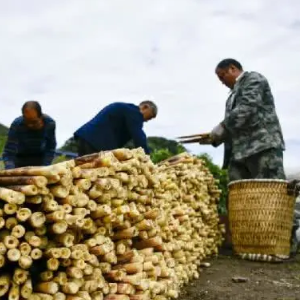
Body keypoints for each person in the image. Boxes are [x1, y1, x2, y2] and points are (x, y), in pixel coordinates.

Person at [201, 58, 285, 181]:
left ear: (232, 69)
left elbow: (247, 108)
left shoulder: (253, 79)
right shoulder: (231, 96)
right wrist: (215, 138)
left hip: (261, 147)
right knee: (240, 194)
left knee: (269, 191)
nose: (222, 82)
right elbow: (236, 125)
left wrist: (223, 127)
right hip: (239, 153)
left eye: (222, 76)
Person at [74, 101, 157, 156]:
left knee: (82, 172)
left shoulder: (126, 109)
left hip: (85, 136)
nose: (146, 121)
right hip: (96, 142)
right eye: (149, 117)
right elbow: (139, 137)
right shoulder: (135, 112)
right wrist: (146, 157)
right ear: (145, 107)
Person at [3, 101, 57, 169]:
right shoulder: (17, 124)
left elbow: (50, 149)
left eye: (34, 122)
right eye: (27, 121)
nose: (30, 125)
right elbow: (9, 151)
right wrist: (10, 168)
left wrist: (45, 168)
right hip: (20, 160)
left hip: (40, 160)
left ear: (41, 117)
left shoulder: (49, 124)